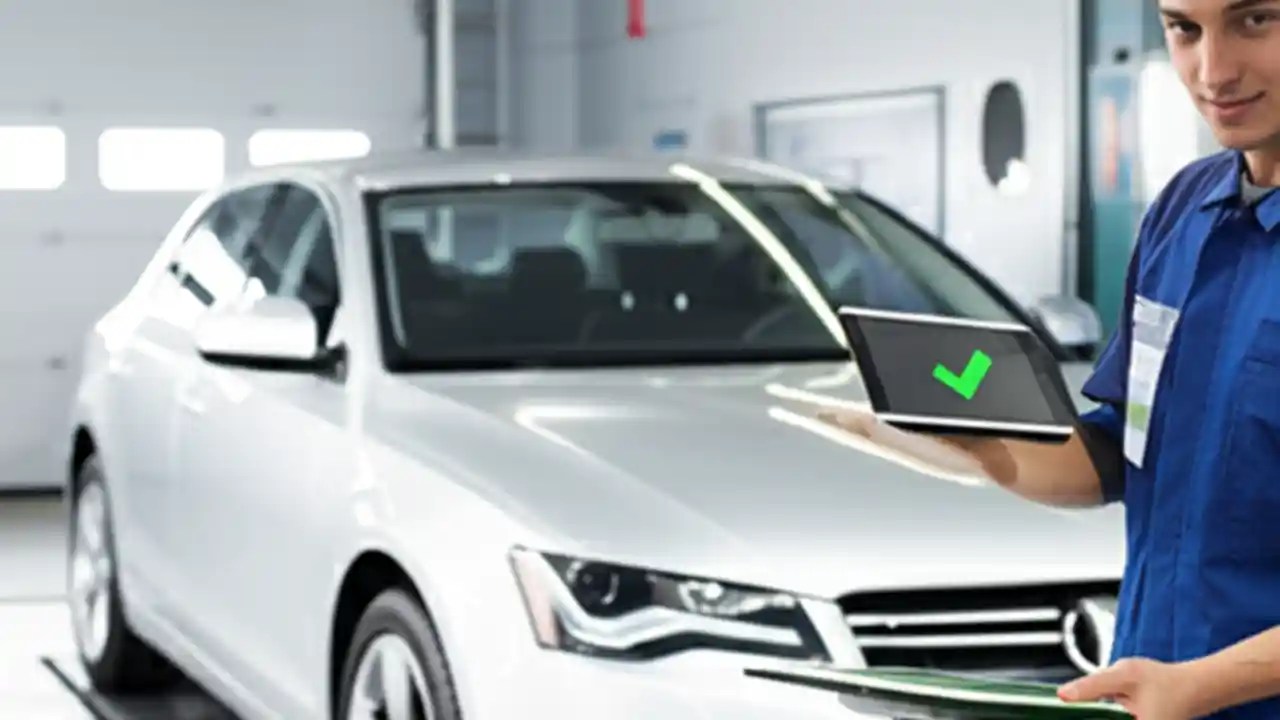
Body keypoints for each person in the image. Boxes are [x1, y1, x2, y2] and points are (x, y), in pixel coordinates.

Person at [822, 1, 1280, 717]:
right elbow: (1117, 456)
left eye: (1257, 21)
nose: (1213, 71)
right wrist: (978, 445)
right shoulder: (1184, 213)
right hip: (1147, 689)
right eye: (1184, 29)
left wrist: (1202, 687)